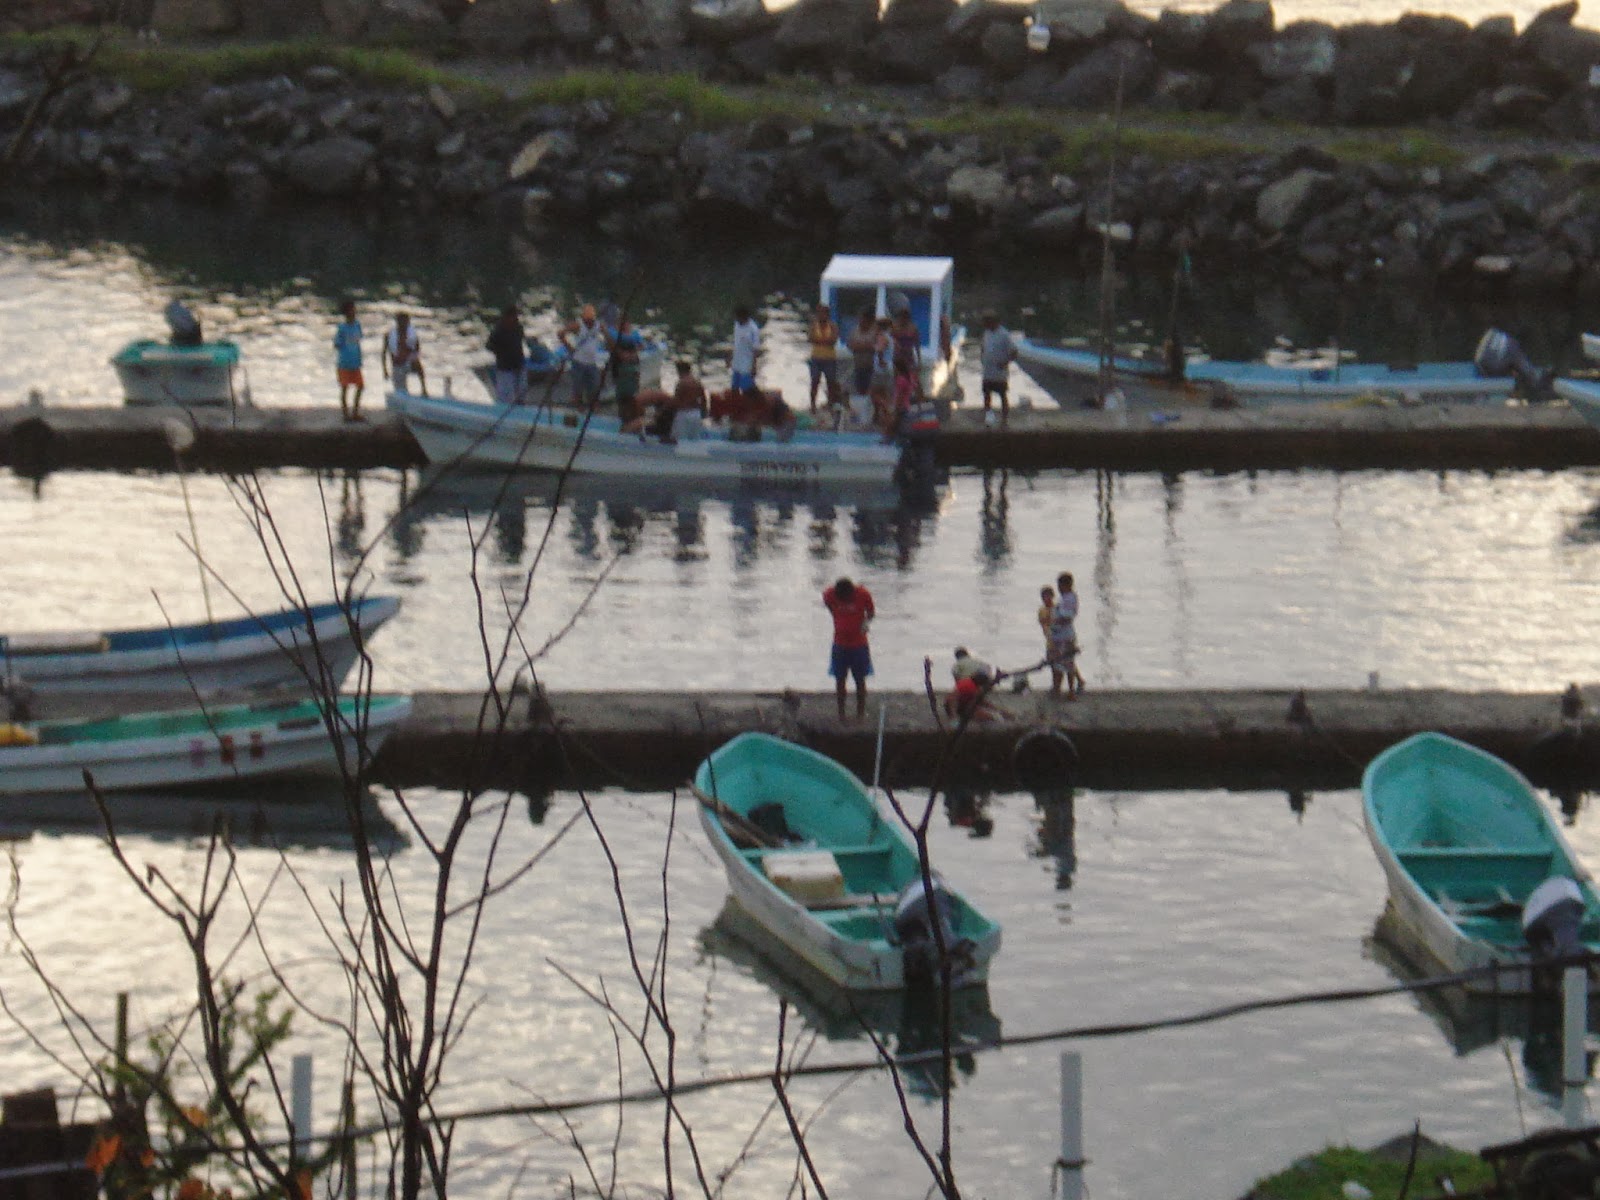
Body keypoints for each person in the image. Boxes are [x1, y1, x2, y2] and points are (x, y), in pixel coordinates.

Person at [823, 576, 874, 721]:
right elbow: (827, 602)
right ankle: (841, 714)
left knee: (860, 679)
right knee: (840, 679)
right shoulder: (830, 594)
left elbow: (870, 612)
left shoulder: (863, 594)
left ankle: (860, 713)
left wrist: (865, 623)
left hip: (859, 645)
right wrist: (835, 615)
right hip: (839, 644)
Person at [1049, 572, 1087, 699]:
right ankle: (1058, 688)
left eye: (1060, 585)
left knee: (1068, 664)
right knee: (1060, 663)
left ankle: (1071, 691)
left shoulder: (1070, 598)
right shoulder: (1065, 598)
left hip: (1065, 636)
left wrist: (1055, 622)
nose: (1058, 589)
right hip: (1060, 636)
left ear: (1066, 585)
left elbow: (1067, 617)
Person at [561, 303, 607, 408]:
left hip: (591, 362)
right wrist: (569, 347)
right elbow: (561, 333)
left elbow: (607, 336)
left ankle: (593, 408)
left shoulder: (598, 325)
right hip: (578, 362)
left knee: (594, 387)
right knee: (578, 388)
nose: (590, 322)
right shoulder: (577, 325)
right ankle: (578, 407)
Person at [650, 361, 707, 443]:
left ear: (679, 370)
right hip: (696, 413)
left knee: (679, 439)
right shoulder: (697, 383)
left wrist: (662, 410)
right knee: (695, 440)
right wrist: (704, 412)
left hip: (684, 413)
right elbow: (703, 399)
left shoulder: (681, 383)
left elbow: (676, 400)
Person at [979, 312, 1018, 425]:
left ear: (993, 322)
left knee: (1002, 395)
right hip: (987, 371)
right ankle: (988, 417)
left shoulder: (1004, 334)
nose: (984, 325)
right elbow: (983, 346)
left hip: (999, 372)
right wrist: (982, 357)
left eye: (986, 322)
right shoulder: (986, 333)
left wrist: (1005, 363)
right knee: (987, 395)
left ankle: (1004, 419)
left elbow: (1014, 352)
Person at [486, 306, 526, 407]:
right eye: (514, 316)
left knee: (521, 389)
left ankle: (520, 406)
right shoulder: (498, 331)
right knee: (505, 393)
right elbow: (489, 346)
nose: (516, 318)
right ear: (507, 317)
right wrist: (501, 352)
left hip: (519, 363)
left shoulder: (518, 327)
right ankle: (503, 408)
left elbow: (520, 341)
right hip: (505, 366)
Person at [382, 312, 427, 397]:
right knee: (401, 391)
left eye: (406, 322)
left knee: (418, 365)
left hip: (408, 362)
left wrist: (410, 355)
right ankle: (402, 396)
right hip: (397, 365)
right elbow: (384, 354)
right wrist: (385, 370)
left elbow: (417, 350)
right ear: (397, 322)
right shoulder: (389, 335)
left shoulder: (412, 334)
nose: (404, 324)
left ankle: (424, 390)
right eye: (402, 322)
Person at [333, 300, 364, 421]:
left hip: (356, 362)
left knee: (360, 386)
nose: (354, 312)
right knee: (345, 388)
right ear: (346, 313)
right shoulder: (342, 328)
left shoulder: (357, 325)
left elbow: (359, 340)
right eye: (352, 310)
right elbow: (336, 344)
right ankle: (346, 415)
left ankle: (355, 412)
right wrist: (345, 346)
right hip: (344, 363)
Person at [609, 317, 645, 422]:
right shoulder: (614, 334)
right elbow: (611, 346)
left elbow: (641, 345)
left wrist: (633, 353)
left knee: (633, 390)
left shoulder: (634, 334)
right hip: (619, 365)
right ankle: (623, 414)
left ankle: (632, 413)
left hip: (632, 364)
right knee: (621, 391)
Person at [806, 303, 840, 412]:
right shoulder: (813, 326)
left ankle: (830, 404)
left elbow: (833, 340)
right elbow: (811, 338)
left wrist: (820, 341)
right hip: (816, 357)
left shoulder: (833, 326)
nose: (822, 315)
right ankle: (813, 405)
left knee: (831, 382)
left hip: (829, 358)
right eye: (820, 313)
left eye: (824, 313)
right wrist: (825, 341)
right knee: (814, 381)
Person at [730, 304, 761, 394]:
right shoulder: (736, 325)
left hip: (747, 363)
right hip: (737, 361)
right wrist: (730, 357)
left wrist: (754, 366)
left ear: (743, 317)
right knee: (734, 388)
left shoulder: (753, 329)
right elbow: (736, 342)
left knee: (746, 389)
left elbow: (756, 349)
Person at [847, 307, 877, 398]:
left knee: (872, 390)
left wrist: (861, 346)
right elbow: (851, 345)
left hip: (872, 366)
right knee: (859, 388)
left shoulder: (875, 331)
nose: (861, 321)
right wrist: (865, 346)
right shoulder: (855, 331)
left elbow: (874, 346)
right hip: (858, 365)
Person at [1037, 586, 1056, 658]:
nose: (1046, 599)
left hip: (1060, 640)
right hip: (1050, 641)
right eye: (1044, 597)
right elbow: (1043, 622)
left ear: (1052, 596)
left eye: (1048, 596)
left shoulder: (1057, 608)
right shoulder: (1042, 611)